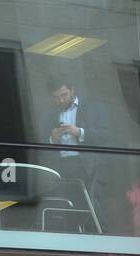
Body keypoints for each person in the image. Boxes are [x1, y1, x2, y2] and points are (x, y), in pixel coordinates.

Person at [46, 80, 101, 232]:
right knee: (64, 207)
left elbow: (107, 135)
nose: (61, 100)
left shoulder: (92, 108)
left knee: (90, 206)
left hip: (86, 165)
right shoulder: (50, 114)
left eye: (64, 95)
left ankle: (92, 239)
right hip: (60, 166)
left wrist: (79, 132)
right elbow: (39, 144)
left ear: (72, 90)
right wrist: (53, 139)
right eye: (57, 97)